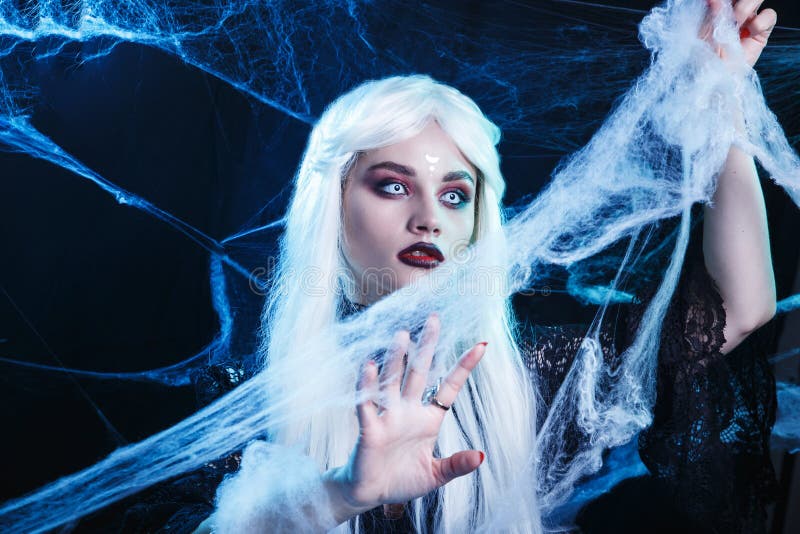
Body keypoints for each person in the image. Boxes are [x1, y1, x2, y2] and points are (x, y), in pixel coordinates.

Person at [86, 1, 780, 532]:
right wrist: (340, 495)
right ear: (333, 209)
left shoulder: (535, 377)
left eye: (455, 195)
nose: (430, 219)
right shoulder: (243, 409)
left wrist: (719, 95)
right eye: (392, 185)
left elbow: (739, 309)